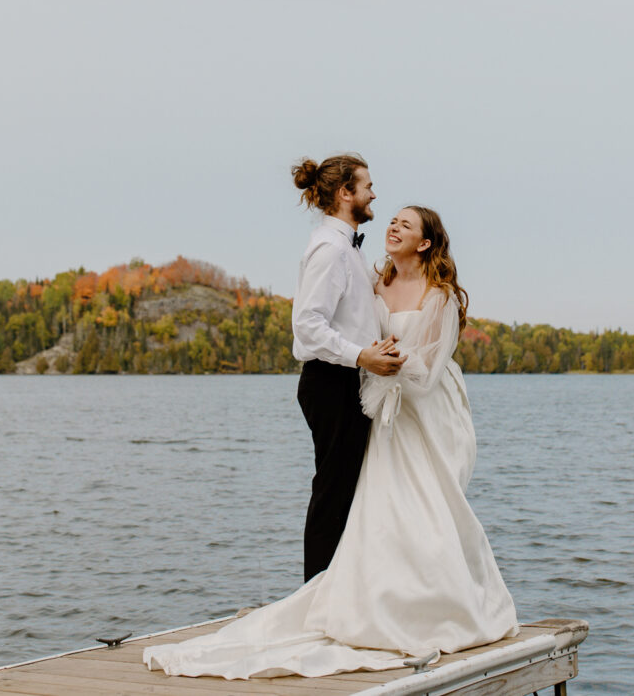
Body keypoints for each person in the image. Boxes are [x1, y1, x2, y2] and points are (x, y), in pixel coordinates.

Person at [143, 204, 517, 680]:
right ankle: (377, 601)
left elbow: (430, 365)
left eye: (406, 223)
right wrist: (369, 363)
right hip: (382, 407)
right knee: (381, 503)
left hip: (425, 408)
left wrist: (387, 364)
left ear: (425, 243)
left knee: (429, 499)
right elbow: (353, 334)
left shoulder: (440, 294)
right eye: (393, 220)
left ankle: (439, 599)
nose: (394, 225)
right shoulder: (376, 282)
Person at [285, 153, 405, 582]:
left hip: (345, 381)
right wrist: (360, 356)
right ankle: (315, 597)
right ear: (345, 193)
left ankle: (339, 594)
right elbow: (306, 325)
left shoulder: (348, 248)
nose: (374, 194)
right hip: (331, 382)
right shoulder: (331, 249)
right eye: (367, 186)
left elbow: (349, 316)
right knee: (333, 493)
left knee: (347, 492)